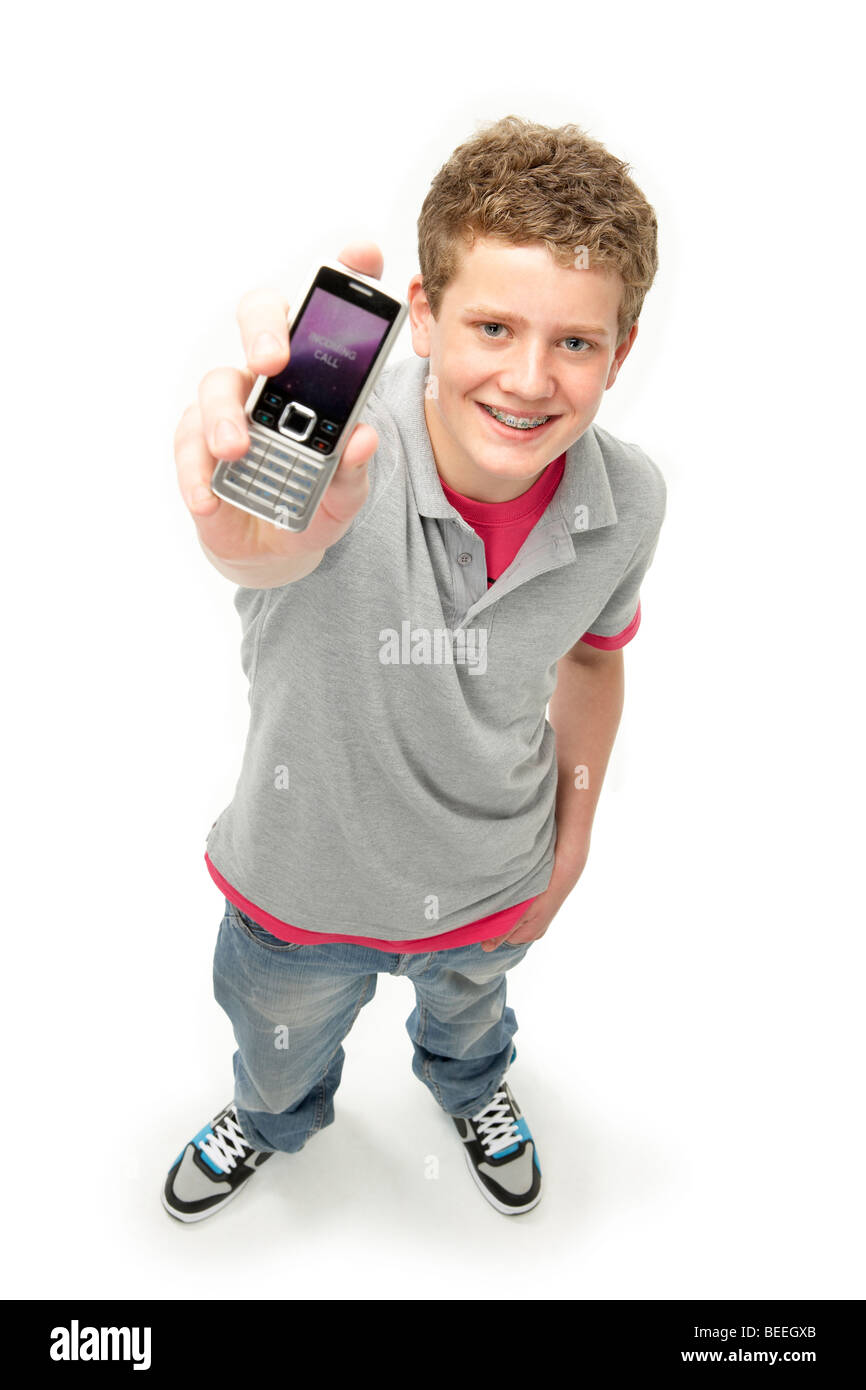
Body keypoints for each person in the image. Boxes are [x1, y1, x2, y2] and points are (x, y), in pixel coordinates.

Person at [163, 114, 667, 1223]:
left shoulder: (629, 501)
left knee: (472, 1022)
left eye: (574, 343)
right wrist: (252, 536)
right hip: (296, 893)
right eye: (491, 324)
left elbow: (593, 658)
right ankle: (272, 1115)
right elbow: (269, 544)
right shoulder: (335, 452)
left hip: (491, 884)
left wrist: (569, 845)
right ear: (424, 319)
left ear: (619, 351)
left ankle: (470, 1086)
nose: (529, 380)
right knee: (277, 1051)